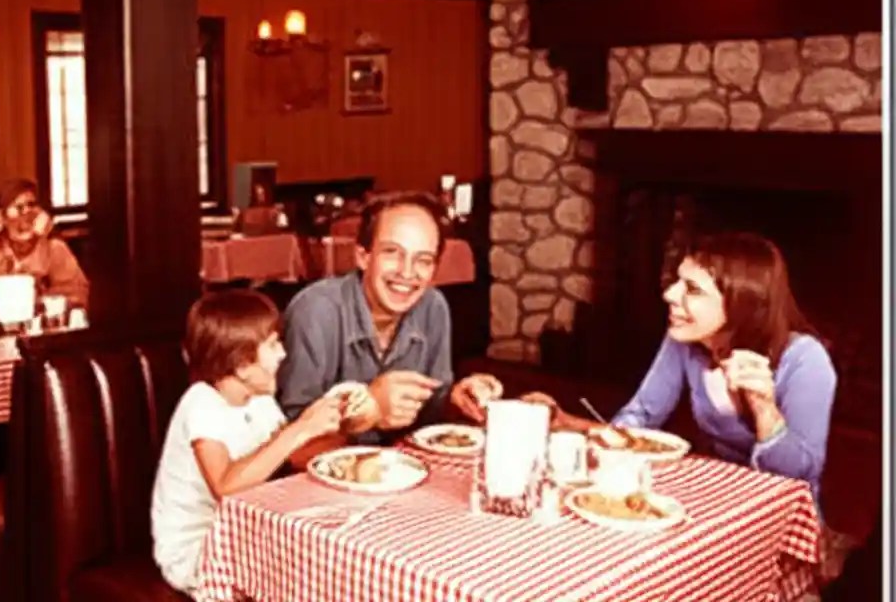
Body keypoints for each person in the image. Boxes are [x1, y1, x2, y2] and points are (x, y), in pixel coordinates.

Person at [547, 232, 836, 502]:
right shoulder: (687, 338)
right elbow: (641, 416)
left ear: (743, 304)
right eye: (677, 281)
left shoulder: (804, 359)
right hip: (713, 495)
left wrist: (764, 408)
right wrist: (576, 430)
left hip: (774, 514)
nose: (670, 295)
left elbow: (800, 478)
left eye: (693, 289)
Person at [276, 190, 502, 452]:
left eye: (423, 260)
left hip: (404, 471)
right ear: (363, 256)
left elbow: (433, 408)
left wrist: (458, 399)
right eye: (392, 252)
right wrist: (367, 410)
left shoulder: (433, 306)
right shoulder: (315, 311)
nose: (407, 272)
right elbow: (291, 441)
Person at [151, 290, 342, 597]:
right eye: (272, 344)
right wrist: (300, 429)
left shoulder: (259, 399)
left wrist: (342, 424)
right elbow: (226, 486)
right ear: (241, 365)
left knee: (328, 562)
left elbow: (291, 456)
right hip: (198, 548)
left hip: (246, 532)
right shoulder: (202, 404)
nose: (283, 353)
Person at [0, 178, 89, 324]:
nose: (27, 212)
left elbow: (78, 297)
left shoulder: (55, 249)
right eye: (19, 208)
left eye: (32, 205)